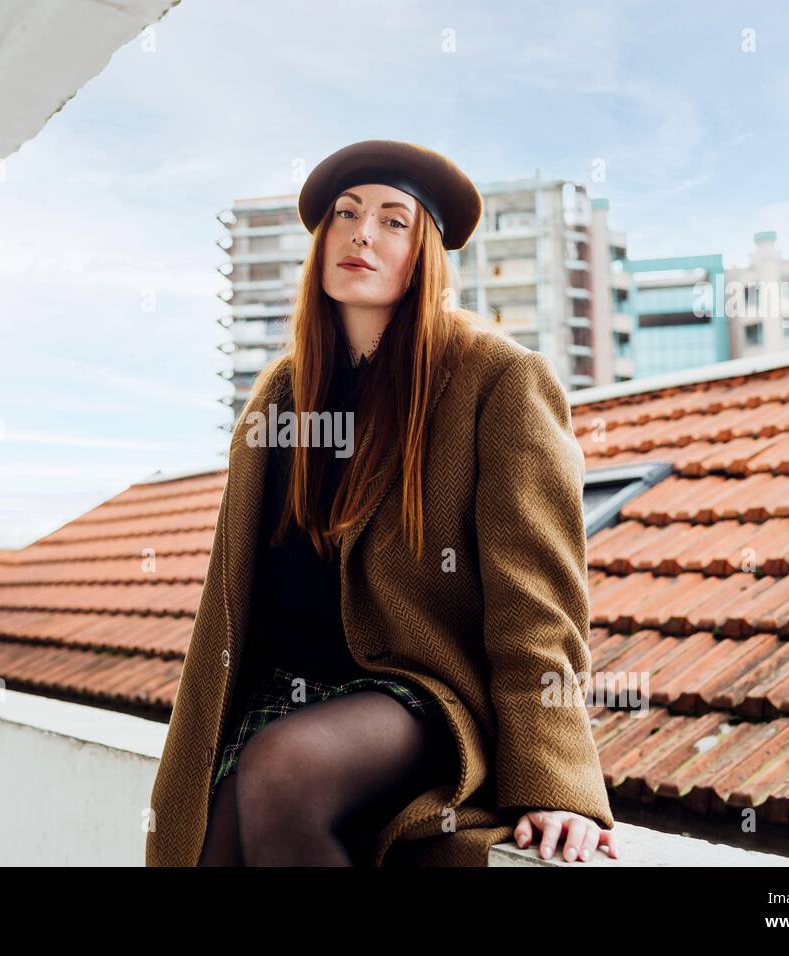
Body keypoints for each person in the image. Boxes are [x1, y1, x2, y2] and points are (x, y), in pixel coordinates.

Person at [146, 139, 619, 867]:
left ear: (423, 252)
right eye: (346, 213)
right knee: (215, 842)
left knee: (285, 766)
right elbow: (233, 595)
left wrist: (556, 779)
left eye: (394, 221)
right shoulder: (280, 395)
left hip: (424, 696)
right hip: (284, 691)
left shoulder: (498, 380)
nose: (362, 233)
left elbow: (538, 600)